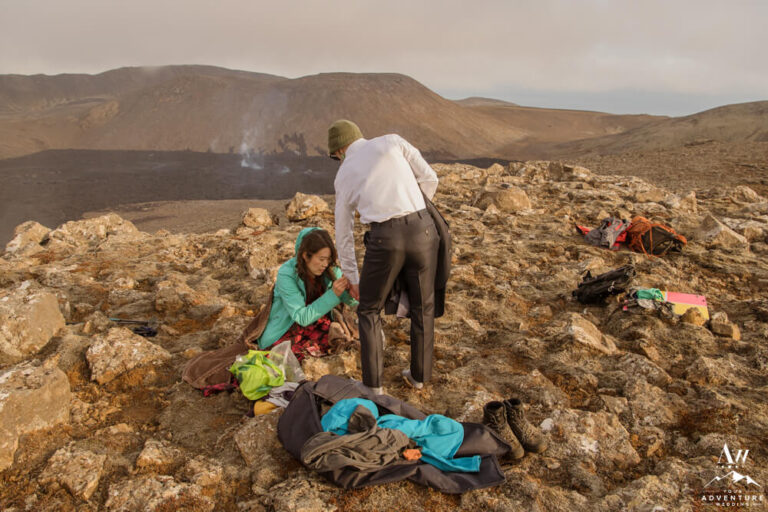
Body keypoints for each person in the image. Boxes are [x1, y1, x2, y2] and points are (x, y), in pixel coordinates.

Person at [329, 119, 440, 394]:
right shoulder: (392, 140)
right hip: (424, 231)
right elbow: (430, 178)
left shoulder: (343, 175)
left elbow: (343, 231)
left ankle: (373, 386)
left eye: (335, 156)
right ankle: (419, 377)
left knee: (368, 309)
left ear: (339, 150)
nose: (338, 160)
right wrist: (413, 212)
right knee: (422, 306)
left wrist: (352, 277)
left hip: (385, 240)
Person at [255, 227, 357, 361]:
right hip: (289, 328)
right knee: (285, 358)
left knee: (341, 344)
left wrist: (353, 290)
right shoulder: (287, 274)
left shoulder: (329, 269)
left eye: (328, 259)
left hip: (319, 324)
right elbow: (301, 317)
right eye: (321, 259)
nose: (325, 264)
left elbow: (350, 300)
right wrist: (333, 294)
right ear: (305, 255)